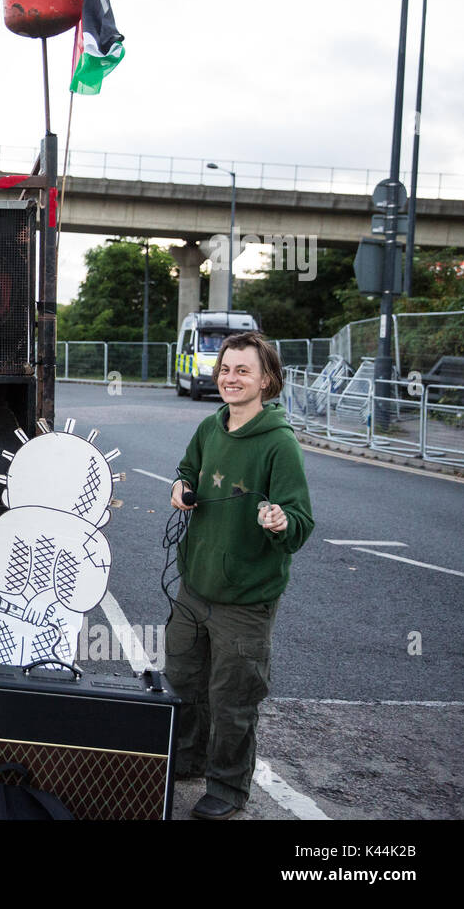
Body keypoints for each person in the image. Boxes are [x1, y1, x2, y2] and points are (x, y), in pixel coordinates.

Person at [165, 331, 314, 819]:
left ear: (266, 379)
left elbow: (300, 520)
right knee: (183, 683)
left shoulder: (279, 445)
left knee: (233, 699)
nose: (231, 378)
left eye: (242, 370)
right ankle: (185, 762)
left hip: (246, 601)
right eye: (225, 369)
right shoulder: (210, 428)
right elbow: (187, 469)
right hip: (193, 587)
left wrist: (280, 520)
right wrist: (181, 486)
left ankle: (228, 789)